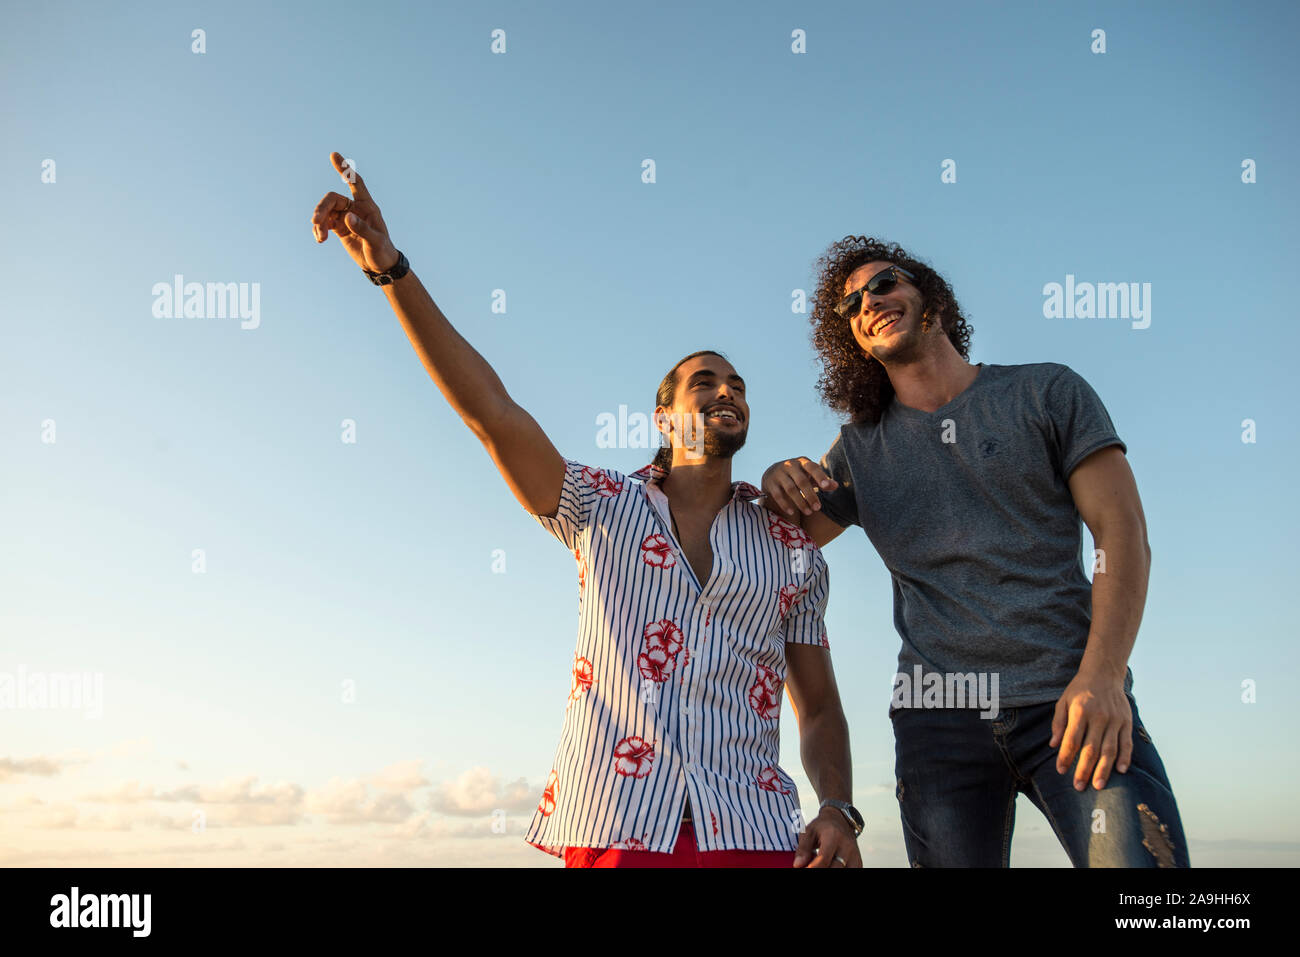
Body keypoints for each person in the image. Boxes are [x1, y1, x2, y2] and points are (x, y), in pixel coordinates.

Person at [309, 152, 863, 868]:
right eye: (705, 382)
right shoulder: (596, 505)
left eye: (739, 384)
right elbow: (493, 413)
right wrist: (391, 271)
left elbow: (817, 706)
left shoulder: (791, 544)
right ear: (664, 417)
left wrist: (837, 805)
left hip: (751, 828)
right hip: (616, 822)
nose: (727, 390)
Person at [759, 235, 1189, 867]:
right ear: (851, 339)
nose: (869, 303)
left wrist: (1102, 678)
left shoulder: (1046, 393)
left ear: (929, 298)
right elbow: (766, 544)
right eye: (851, 305)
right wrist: (774, 484)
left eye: (885, 284)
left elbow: (1120, 531)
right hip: (939, 725)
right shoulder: (857, 453)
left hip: (1071, 699)